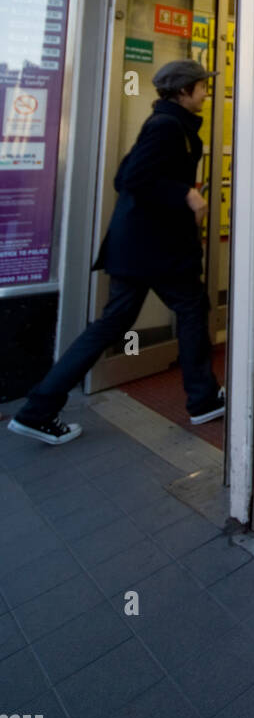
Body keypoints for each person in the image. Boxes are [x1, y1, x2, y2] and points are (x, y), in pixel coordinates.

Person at [9, 60, 226, 445]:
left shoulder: (164, 123)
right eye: (201, 87)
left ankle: (37, 409)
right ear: (182, 92)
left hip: (138, 249)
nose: (206, 93)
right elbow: (129, 179)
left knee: (114, 324)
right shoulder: (166, 126)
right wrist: (184, 193)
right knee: (192, 310)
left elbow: (125, 176)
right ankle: (203, 399)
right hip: (155, 249)